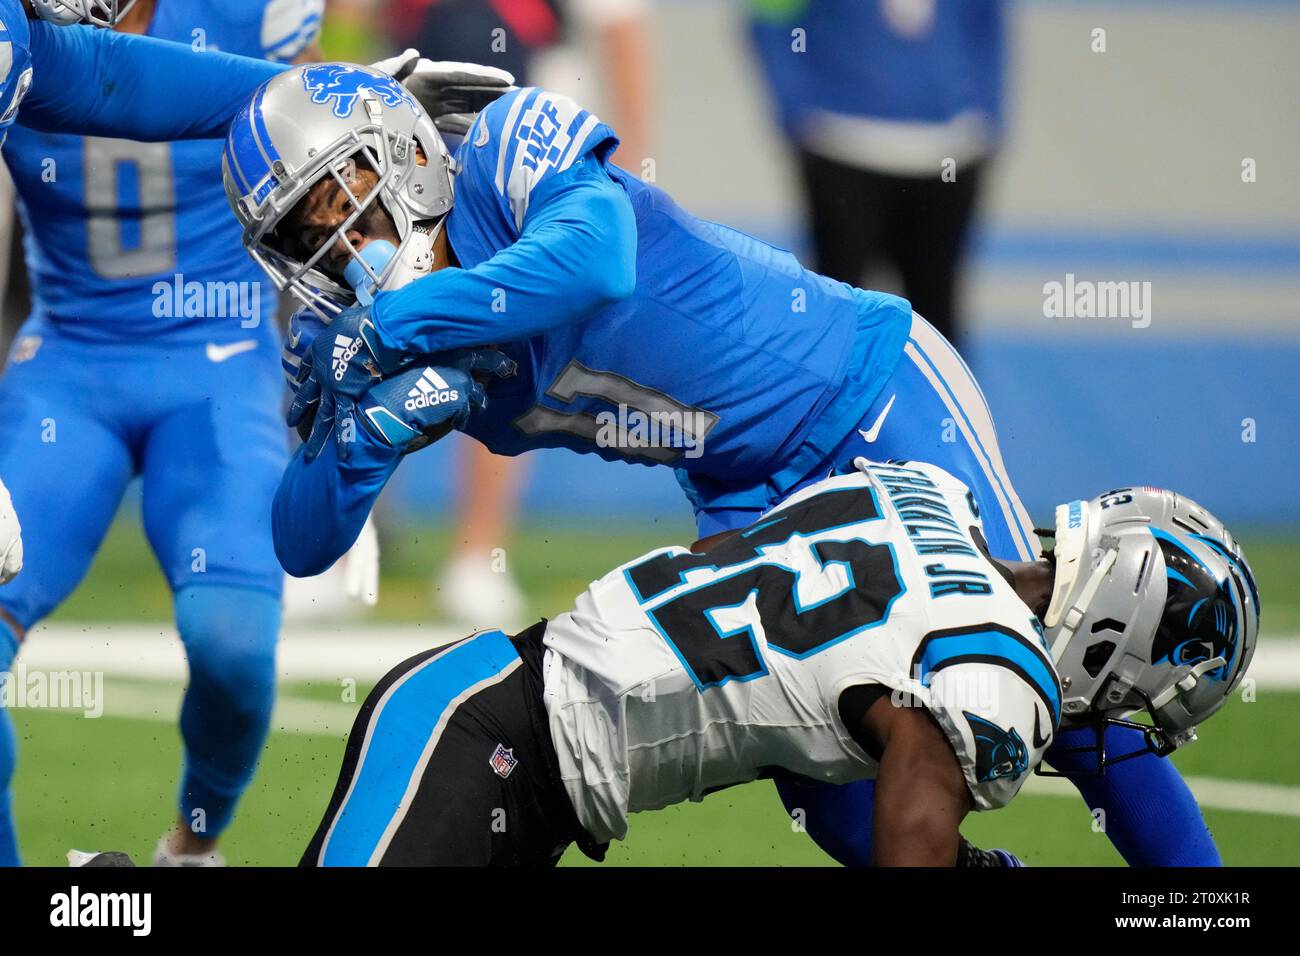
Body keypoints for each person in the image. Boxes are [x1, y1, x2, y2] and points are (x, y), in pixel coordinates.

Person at [228, 64, 1232, 867]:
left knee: (1055, 669)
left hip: (862, 390)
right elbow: (303, 537)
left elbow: (596, 258)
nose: (338, 242)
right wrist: (362, 441)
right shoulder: (354, 340)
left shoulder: (492, 150)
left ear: (400, 150)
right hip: (736, 480)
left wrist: (405, 324)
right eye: (303, 231)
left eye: (344, 195)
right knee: (825, 783)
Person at [0, 2, 509, 865]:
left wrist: (348, 445)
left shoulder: (222, 18)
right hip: (67, 365)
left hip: (220, 359)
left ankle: (193, 849)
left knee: (233, 645)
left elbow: (109, 78)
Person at [300, 469, 1257, 866]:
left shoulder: (925, 492)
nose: (1124, 711)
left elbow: (805, 715)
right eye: (1143, 687)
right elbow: (905, 847)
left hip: (519, 754)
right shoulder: (996, 675)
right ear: (1119, 628)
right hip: (489, 735)